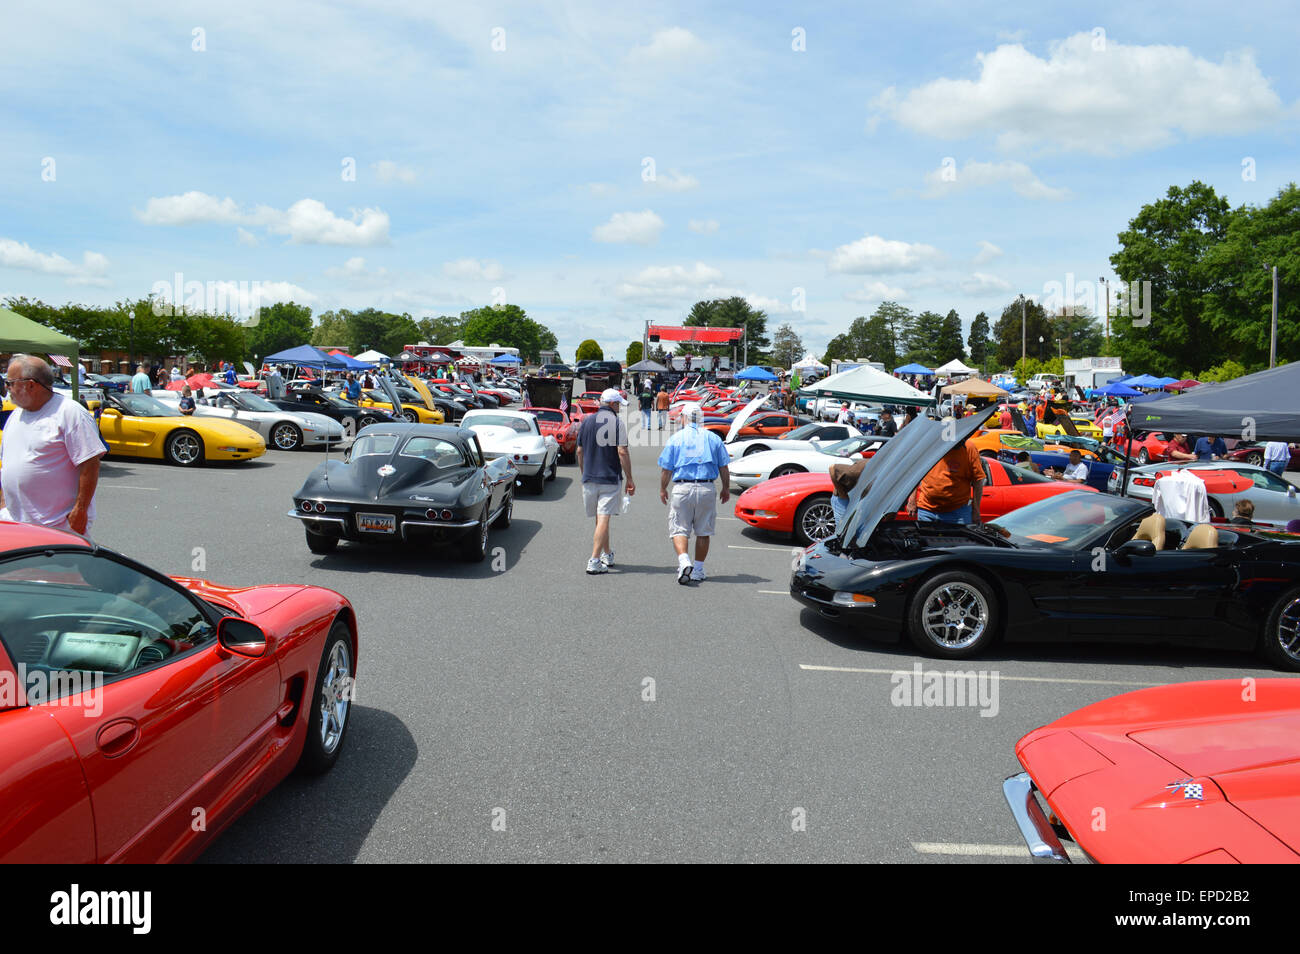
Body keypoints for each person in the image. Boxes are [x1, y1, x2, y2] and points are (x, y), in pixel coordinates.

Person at [0, 355, 106, 537]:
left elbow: (90, 463)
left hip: (57, 527)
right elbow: (8, 465)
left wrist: (80, 511)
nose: (7, 389)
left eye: (10, 383)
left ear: (30, 385)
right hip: (16, 523)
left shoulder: (70, 413)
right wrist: (3, 505)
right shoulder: (16, 416)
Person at [658, 402, 731, 584]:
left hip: (683, 487)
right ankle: (698, 569)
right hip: (707, 488)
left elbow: (666, 469)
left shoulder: (676, 438)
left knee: (679, 528)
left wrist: (662, 488)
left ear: (684, 418)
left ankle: (684, 562)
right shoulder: (713, 438)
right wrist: (726, 488)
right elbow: (724, 466)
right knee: (703, 531)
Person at [576, 388, 635, 574]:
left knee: (601, 518)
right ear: (612, 404)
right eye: (618, 404)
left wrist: (584, 472)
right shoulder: (617, 423)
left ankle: (606, 554)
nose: (619, 408)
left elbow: (579, 451)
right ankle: (594, 560)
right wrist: (630, 479)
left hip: (590, 477)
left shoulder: (586, 421)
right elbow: (622, 451)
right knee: (603, 518)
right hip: (609, 478)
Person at [906, 438, 984, 524]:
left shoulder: (969, 448)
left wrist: (976, 510)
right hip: (926, 510)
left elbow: (978, 480)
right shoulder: (929, 445)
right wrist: (912, 500)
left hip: (958, 512)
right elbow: (915, 474)